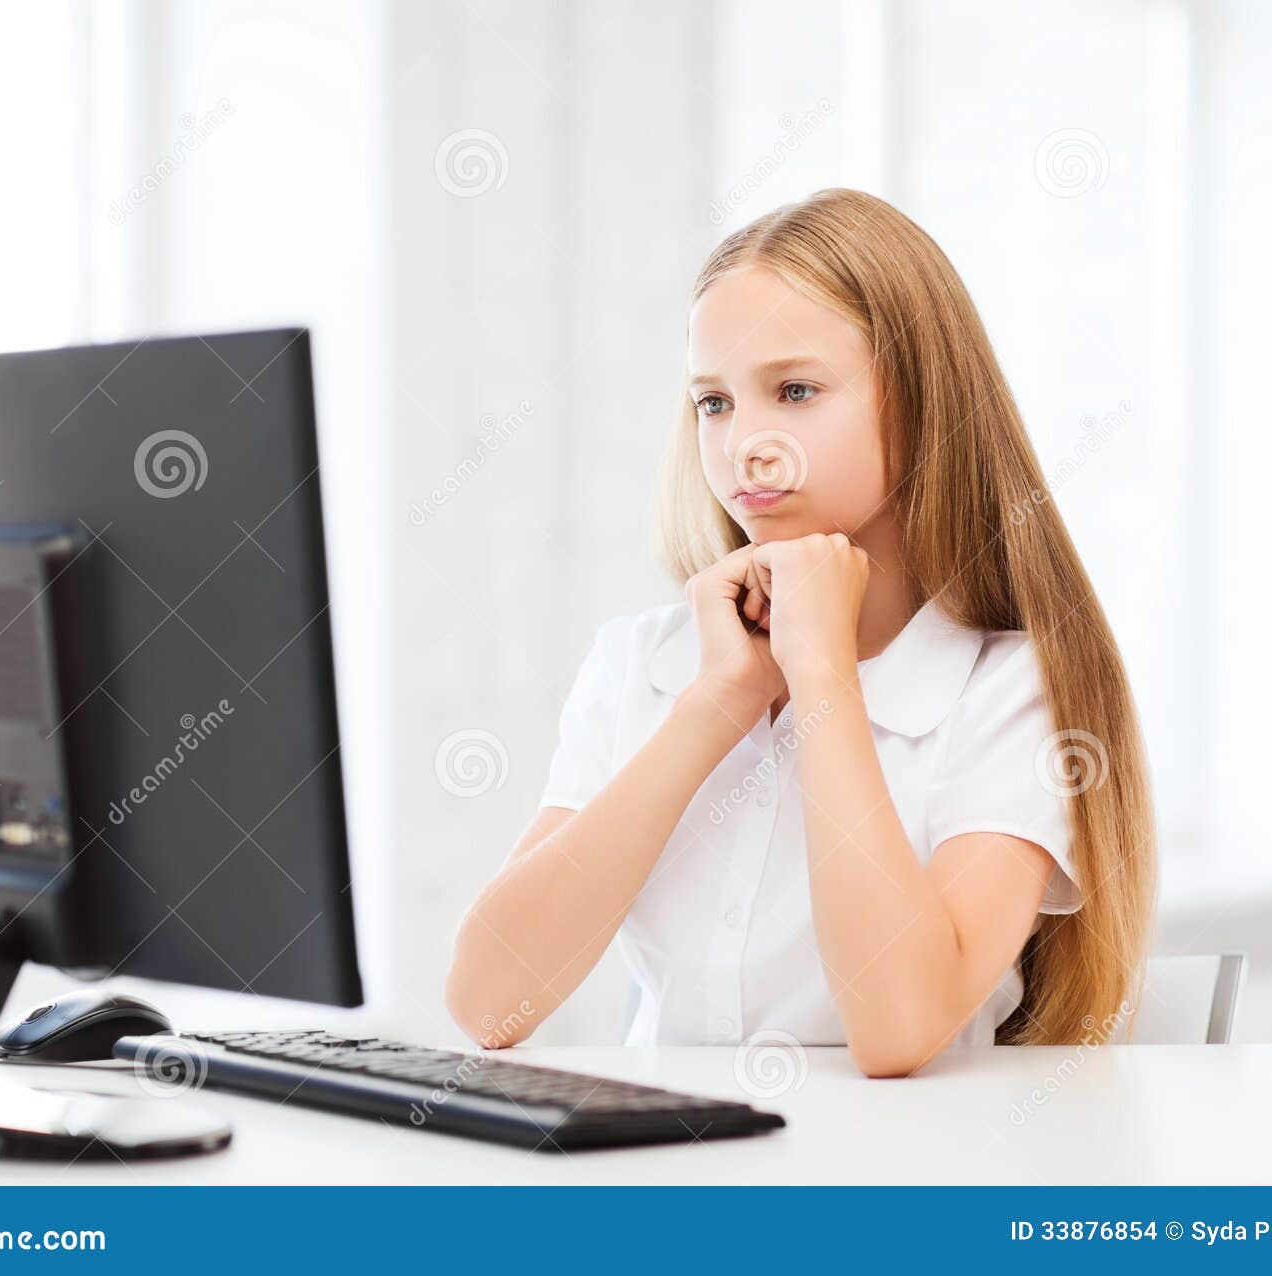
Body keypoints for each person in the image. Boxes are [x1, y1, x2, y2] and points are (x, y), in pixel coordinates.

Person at [445, 188, 1156, 1076]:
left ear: (923, 404)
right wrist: (719, 700)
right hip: (664, 1153)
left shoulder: (1011, 690)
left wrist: (823, 676)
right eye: (713, 402)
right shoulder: (641, 666)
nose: (745, 443)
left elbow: (899, 1030)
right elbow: (487, 1003)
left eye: (794, 391)